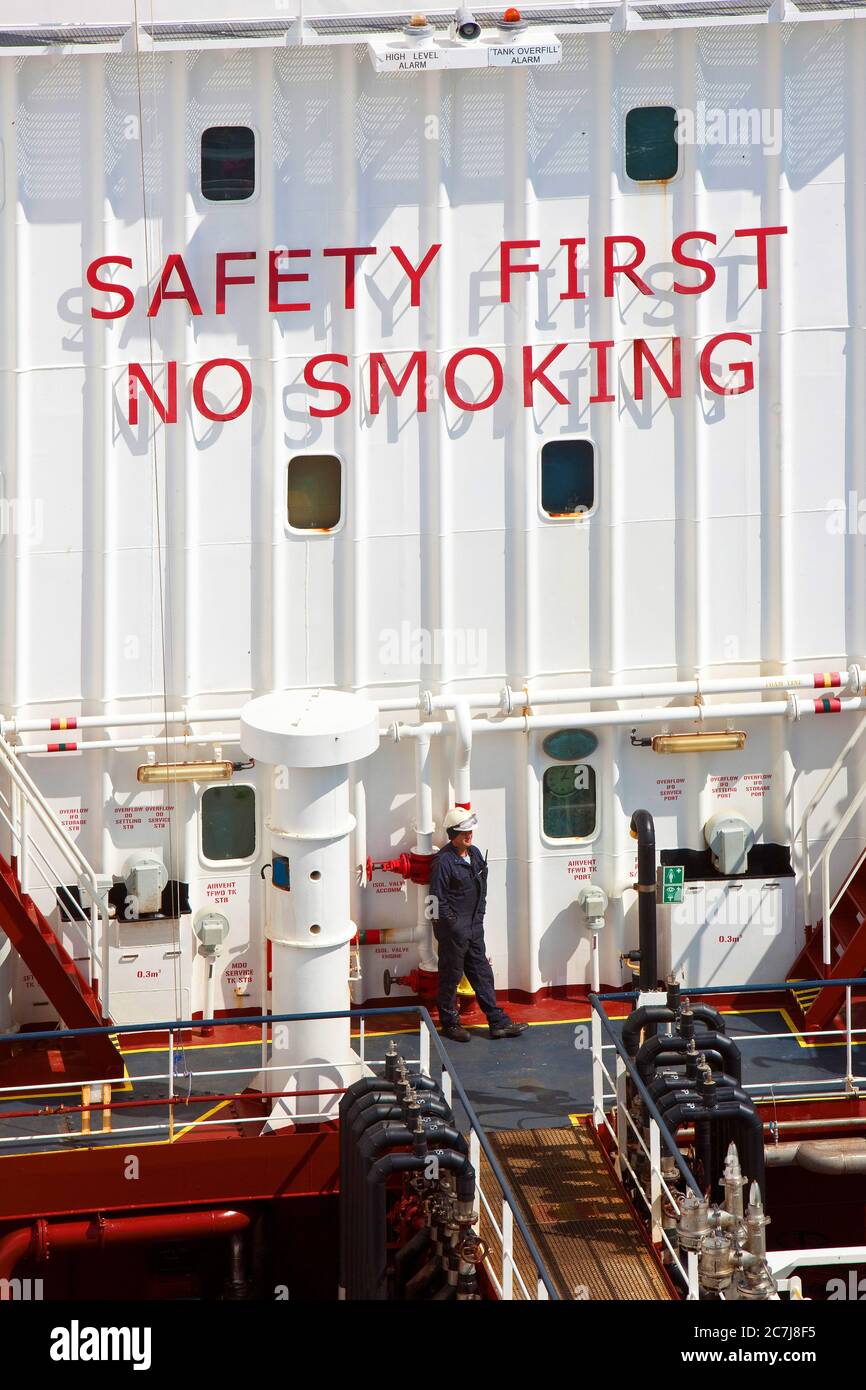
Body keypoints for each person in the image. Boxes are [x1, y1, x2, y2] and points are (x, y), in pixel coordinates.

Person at [428, 809, 527, 1043]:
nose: (469, 835)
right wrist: (453, 927)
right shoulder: (443, 862)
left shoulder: (474, 854)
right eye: (464, 832)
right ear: (454, 834)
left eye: (470, 831)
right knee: (450, 977)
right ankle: (450, 1023)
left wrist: (478, 917)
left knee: (482, 974)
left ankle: (497, 1022)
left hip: (473, 928)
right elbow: (434, 901)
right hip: (453, 933)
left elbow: (482, 888)